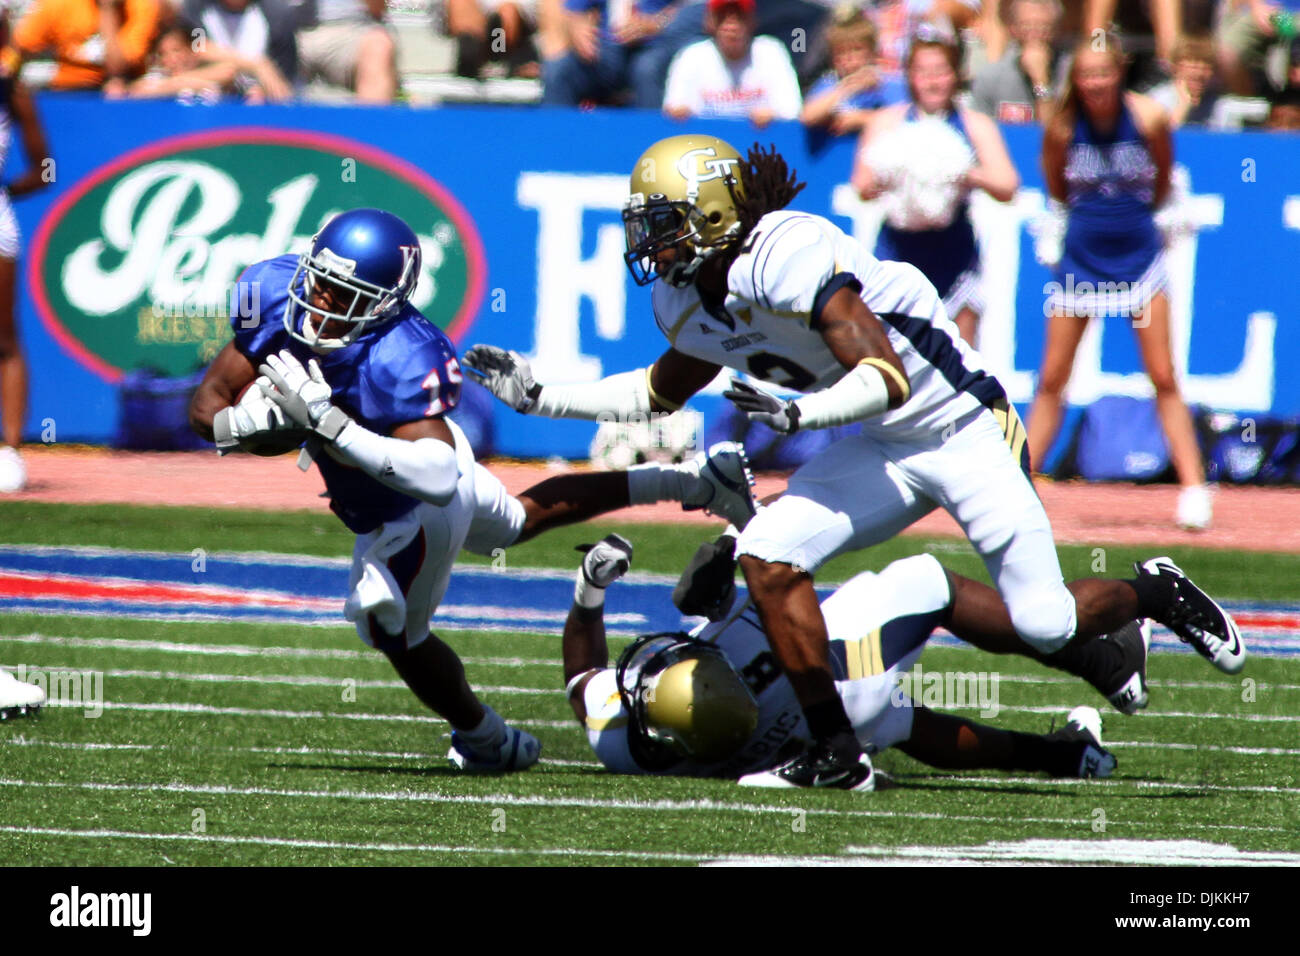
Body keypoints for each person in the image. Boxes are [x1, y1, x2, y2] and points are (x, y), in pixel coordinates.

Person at [464, 133, 1246, 790]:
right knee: (767, 554)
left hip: (960, 423)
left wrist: (802, 414)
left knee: (1044, 621)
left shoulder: (786, 251)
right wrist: (542, 397)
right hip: (881, 445)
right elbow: (658, 391)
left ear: (711, 214)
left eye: (664, 222)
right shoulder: (684, 299)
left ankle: (1151, 592)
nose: (650, 242)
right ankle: (836, 750)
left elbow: (886, 376)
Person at [188, 207, 756, 772]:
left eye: (346, 293)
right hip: (401, 480)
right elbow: (207, 403)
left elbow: (435, 478)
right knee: (513, 522)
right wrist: (243, 428)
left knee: (394, 634)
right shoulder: (271, 291)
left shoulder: (403, 354)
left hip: (410, 503)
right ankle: (693, 481)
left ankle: (486, 738)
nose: (323, 301)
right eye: (321, 281)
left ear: (385, 304)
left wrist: (329, 426)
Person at [561, 533, 1150, 784]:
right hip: (833, 677)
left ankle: (1066, 759)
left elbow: (582, 678)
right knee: (927, 582)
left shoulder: (633, 745)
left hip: (821, 715)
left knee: (897, 721)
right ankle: (1101, 655)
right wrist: (733, 545)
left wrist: (591, 591)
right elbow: (774, 562)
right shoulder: (645, 726)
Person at [1027, 34, 1213, 531]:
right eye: (1085, 75)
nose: (1094, 84)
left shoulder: (1150, 117)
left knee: (1163, 374)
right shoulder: (1063, 126)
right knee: (1051, 378)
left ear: (1120, 71)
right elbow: (1056, 187)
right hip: (1080, 263)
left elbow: (1162, 177)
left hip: (1139, 261)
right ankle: (1018, 485)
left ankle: (1194, 488)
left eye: (1103, 73)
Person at [852, 31, 1019, 346]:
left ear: (956, 75)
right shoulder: (888, 121)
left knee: (962, 366)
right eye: (923, 73)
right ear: (910, 76)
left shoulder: (974, 124)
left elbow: (1008, 186)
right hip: (897, 254)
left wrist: (962, 172)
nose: (932, 82)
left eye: (941, 72)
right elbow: (861, 186)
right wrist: (900, 169)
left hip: (955, 255)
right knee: (888, 362)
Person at [0, 12, 53, 494]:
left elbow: (45, 169)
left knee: (3, 334)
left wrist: (5, 193)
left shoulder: (11, 90)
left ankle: (10, 450)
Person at [541, 0, 708, 109]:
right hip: (608, 48)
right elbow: (574, 10)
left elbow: (702, 8)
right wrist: (578, 27)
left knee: (646, 69)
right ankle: (555, 143)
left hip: (659, 44)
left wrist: (657, 24)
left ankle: (650, 145)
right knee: (559, 69)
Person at [662, 0, 802, 125]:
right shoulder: (691, 56)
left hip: (759, 147)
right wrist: (679, 113)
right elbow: (673, 108)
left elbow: (792, 110)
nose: (732, 26)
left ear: (753, 21)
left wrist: (773, 115)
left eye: (739, 17)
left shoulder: (771, 51)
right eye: (722, 17)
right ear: (709, 22)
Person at [11, 0, 163, 94]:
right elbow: (18, 47)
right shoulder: (59, 4)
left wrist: (107, 10)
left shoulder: (141, 6)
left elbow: (118, 67)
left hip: (123, 90)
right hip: (69, 89)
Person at [800, 5, 906, 139]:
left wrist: (862, 119)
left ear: (872, 52)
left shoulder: (890, 84)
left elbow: (909, 119)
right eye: (841, 52)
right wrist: (848, 88)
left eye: (856, 50)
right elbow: (807, 116)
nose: (848, 59)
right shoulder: (830, 83)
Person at [971, 0, 1068, 124]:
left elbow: (1052, 133)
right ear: (1013, 29)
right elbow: (977, 129)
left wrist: (1041, 81)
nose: (1036, 34)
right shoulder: (991, 77)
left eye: (1044, 27)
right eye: (1027, 26)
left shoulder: (1068, 73)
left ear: (1057, 30)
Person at [181, 0, 297, 102]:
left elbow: (280, 78)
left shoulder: (276, 13)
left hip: (259, 105)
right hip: (210, 99)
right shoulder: (197, 7)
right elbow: (199, 49)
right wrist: (256, 65)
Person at [296, 0, 399, 103]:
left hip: (353, 28)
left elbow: (376, 8)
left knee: (378, 47)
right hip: (291, 26)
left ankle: (370, 117)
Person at [1147, 34, 1231, 129]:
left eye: (1206, 68)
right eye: (1193, 67)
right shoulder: (1158, 100)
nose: (1199, 73)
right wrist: (1184, 104)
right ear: (1176, 68)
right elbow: (1164, 137)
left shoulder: (1219, 104)